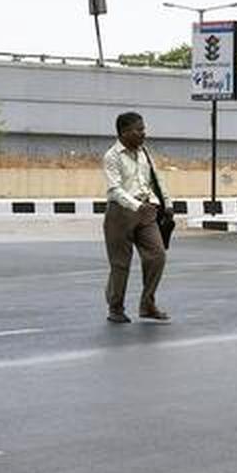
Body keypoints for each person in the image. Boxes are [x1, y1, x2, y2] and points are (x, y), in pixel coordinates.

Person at [102, 112, 169, 324]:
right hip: (120, 213)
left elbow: (155, 180)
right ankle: (115, 307)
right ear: (124, 132)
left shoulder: (145, 153)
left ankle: (147, 304)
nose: (143, 133)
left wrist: (167, 204)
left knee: (157, 255)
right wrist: (137, 206)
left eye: (143, 129)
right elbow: (114, 190)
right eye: (138, 129)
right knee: (120, 264)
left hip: (147, 211)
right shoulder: (112, 156)